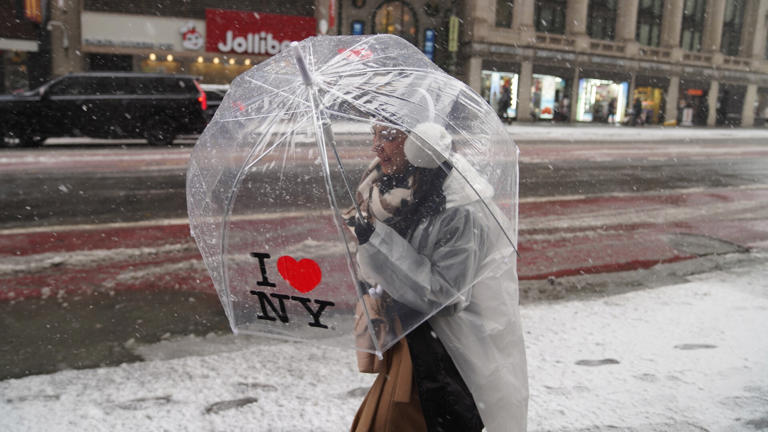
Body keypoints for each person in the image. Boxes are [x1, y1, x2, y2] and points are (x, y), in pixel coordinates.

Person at [347, 121, 528, 432]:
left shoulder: (459, 208)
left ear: (419, 141)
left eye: (388, 136)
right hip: (409, 344)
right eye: (373, 134)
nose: (376, 145)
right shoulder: (390, 189)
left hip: (446, 356)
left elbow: (447, 294)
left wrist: (375, 241)